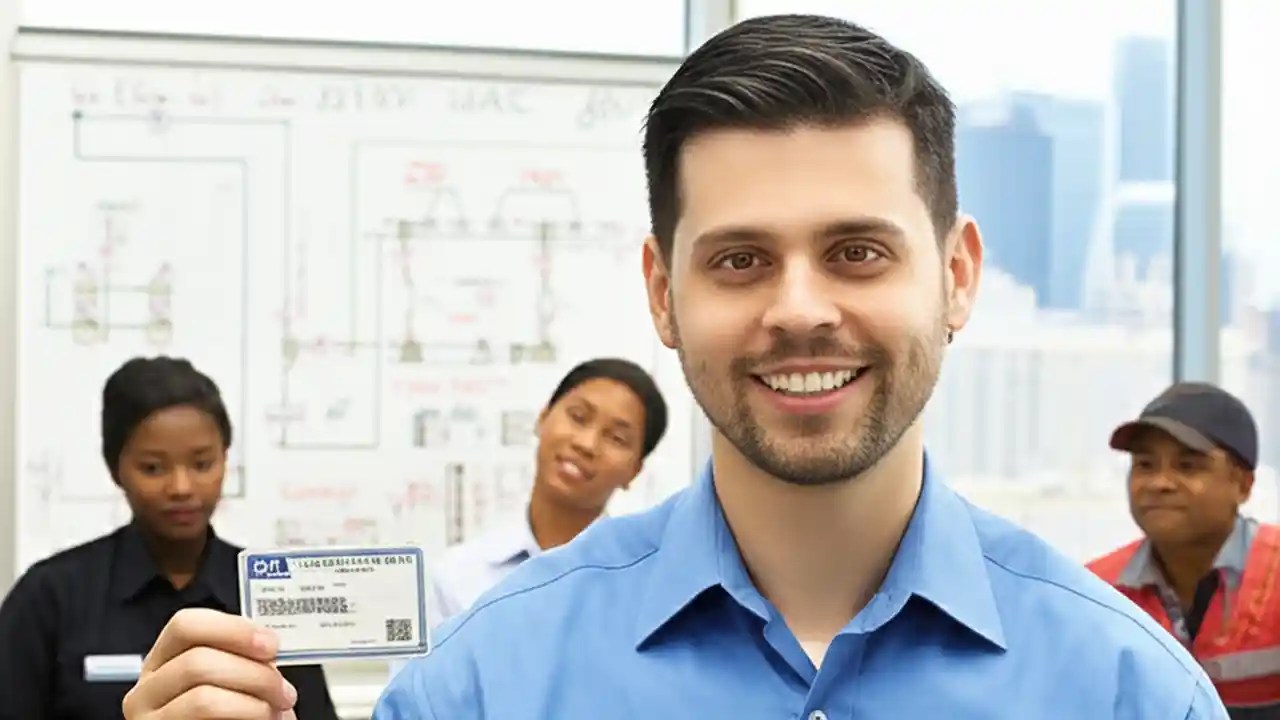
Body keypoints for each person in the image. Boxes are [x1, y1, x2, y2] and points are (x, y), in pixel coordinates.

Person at [120, 14, 1227, 720]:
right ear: (662, 291)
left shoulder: (1127, 691)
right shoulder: (482, 684)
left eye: (855, 252)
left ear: (956, 274)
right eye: (739, 259)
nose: (798, 311)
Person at [0, 356, 338, 720]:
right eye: (153, 468)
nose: (181, 487)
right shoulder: (50, 597)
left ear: (225, 460)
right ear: (116, 468)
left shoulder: (271, 594)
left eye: (202, 463)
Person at [427, 357, 668, 622]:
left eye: (617, 439)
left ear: (634, 470)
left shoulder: (649, 593)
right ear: (542, 418)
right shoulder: (458, 577)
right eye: (578, 417)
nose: (586, 444)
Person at [1088, 382, 1279, 717]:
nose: (1159, 483)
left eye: (1188, 466)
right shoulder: (1096, 592)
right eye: (1145, 465)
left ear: (1243, 485)